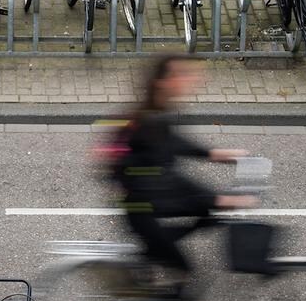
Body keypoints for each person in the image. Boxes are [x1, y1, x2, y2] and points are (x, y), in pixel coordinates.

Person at [107, 56, 254, 279]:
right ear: (161, 82)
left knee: (204, 214)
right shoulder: (150, 122)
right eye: (180, 75)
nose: (189, 80)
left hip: (145, 199)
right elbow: (168, 179)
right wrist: (217, 199)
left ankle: (151, 256)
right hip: (142, 208)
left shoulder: (153, 113)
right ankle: (155, 266)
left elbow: (174, 143)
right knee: (184, 272)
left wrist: (213, 154)